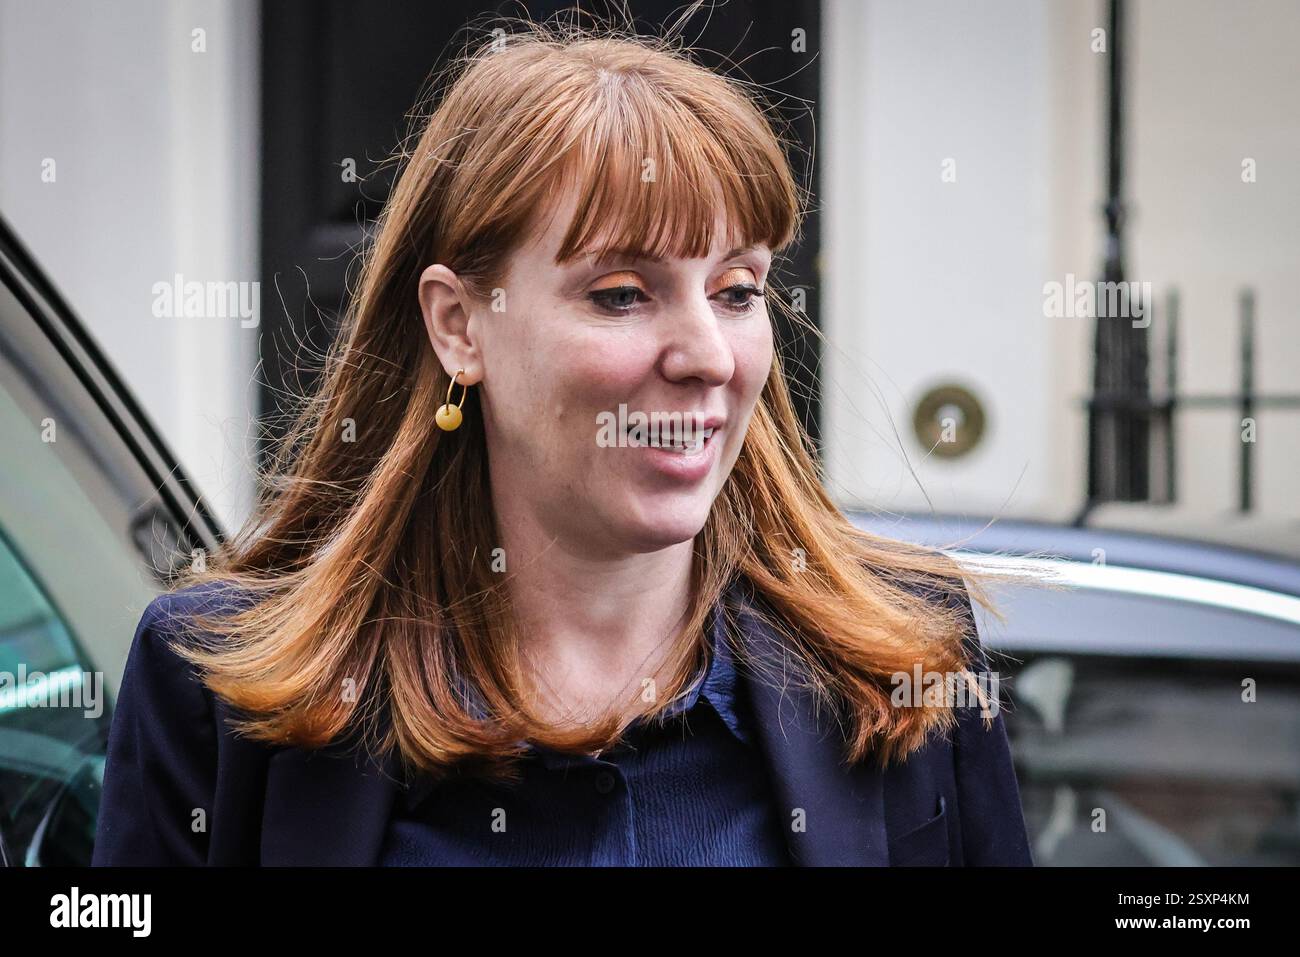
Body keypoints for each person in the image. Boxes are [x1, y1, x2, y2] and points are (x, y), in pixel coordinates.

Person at [92, 11, 1033, 867]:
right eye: (622, 293)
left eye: (738, 290)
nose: (708, 355)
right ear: (460, 325)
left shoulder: (909, 664)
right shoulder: (216, 689)